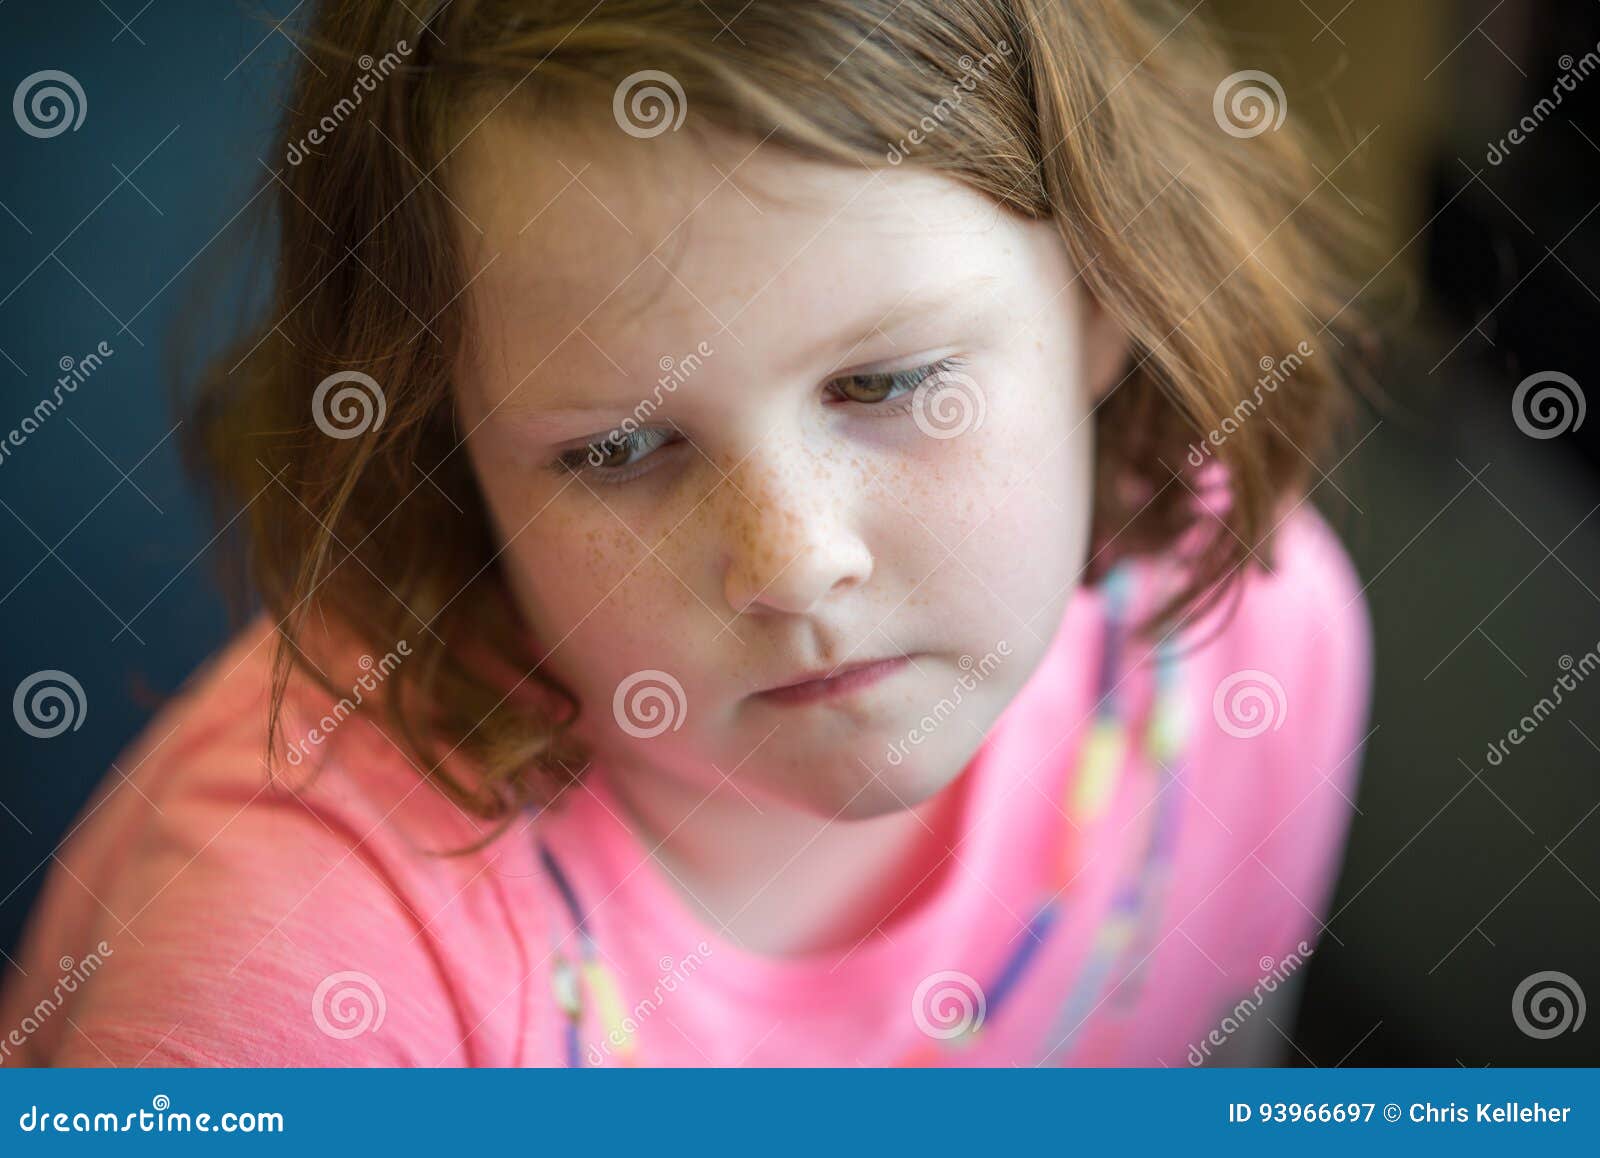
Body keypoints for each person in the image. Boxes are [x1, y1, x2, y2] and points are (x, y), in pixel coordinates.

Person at [0, 0, 1373, 1067]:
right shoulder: (289, 982)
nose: (791, 560)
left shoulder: (1243, 648)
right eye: (617, 449)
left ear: (1104, 295)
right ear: (443, 449)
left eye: (885, 383)